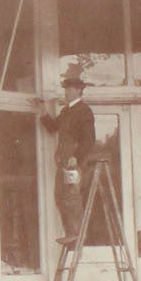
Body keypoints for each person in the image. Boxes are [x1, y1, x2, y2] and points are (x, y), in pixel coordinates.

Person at [40, 66, 97, 243]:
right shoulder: (66, 111)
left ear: (78, 91)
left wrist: (77, 157)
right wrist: (42, 109)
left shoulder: (84, 111)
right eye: (65, 89)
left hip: (74, 163)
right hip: (64, 162)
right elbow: (52, 127)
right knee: (60, 196)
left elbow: (89, 139)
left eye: (69, 89)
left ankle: (77, 233)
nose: (66, 92)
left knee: (71, 196)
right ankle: (70, 233)